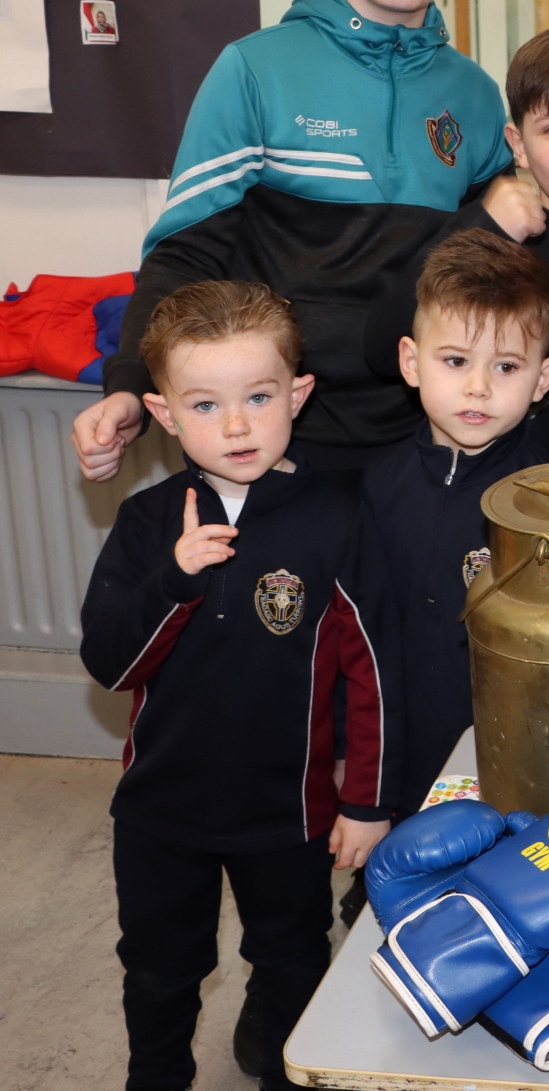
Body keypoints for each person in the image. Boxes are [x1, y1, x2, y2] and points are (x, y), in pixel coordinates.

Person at [71, 0, 516, 481]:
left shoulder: (476, 97)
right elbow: (186, 254)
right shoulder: (253, 70)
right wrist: (129, 386)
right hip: (270, 440)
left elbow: (483, 286)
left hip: (425, 441)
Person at [79, 281, 392, 1091]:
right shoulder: (149, 523)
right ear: (166, 413)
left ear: (299, 392)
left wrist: (365, 798)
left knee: (291, 963)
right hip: (160, 809)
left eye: (259, 396)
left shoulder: (339, 515)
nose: (240, 424)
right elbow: (110, 662)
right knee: (158, 972)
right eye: (207, 404)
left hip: (284, 814)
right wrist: (173, 583)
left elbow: (373, 672)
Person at [363, 23, 549, 464]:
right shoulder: (490, 243)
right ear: (518, 145)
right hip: (492, 510)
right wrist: (482, 227)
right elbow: (380, 348)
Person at [362, 229, 549, 816]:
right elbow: (358, 645)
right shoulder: (378, 485)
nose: (477, 387)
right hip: (398, 756)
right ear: (411, 362)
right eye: (454, 361)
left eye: (506, 366)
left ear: (542, 378)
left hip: (517, 765)